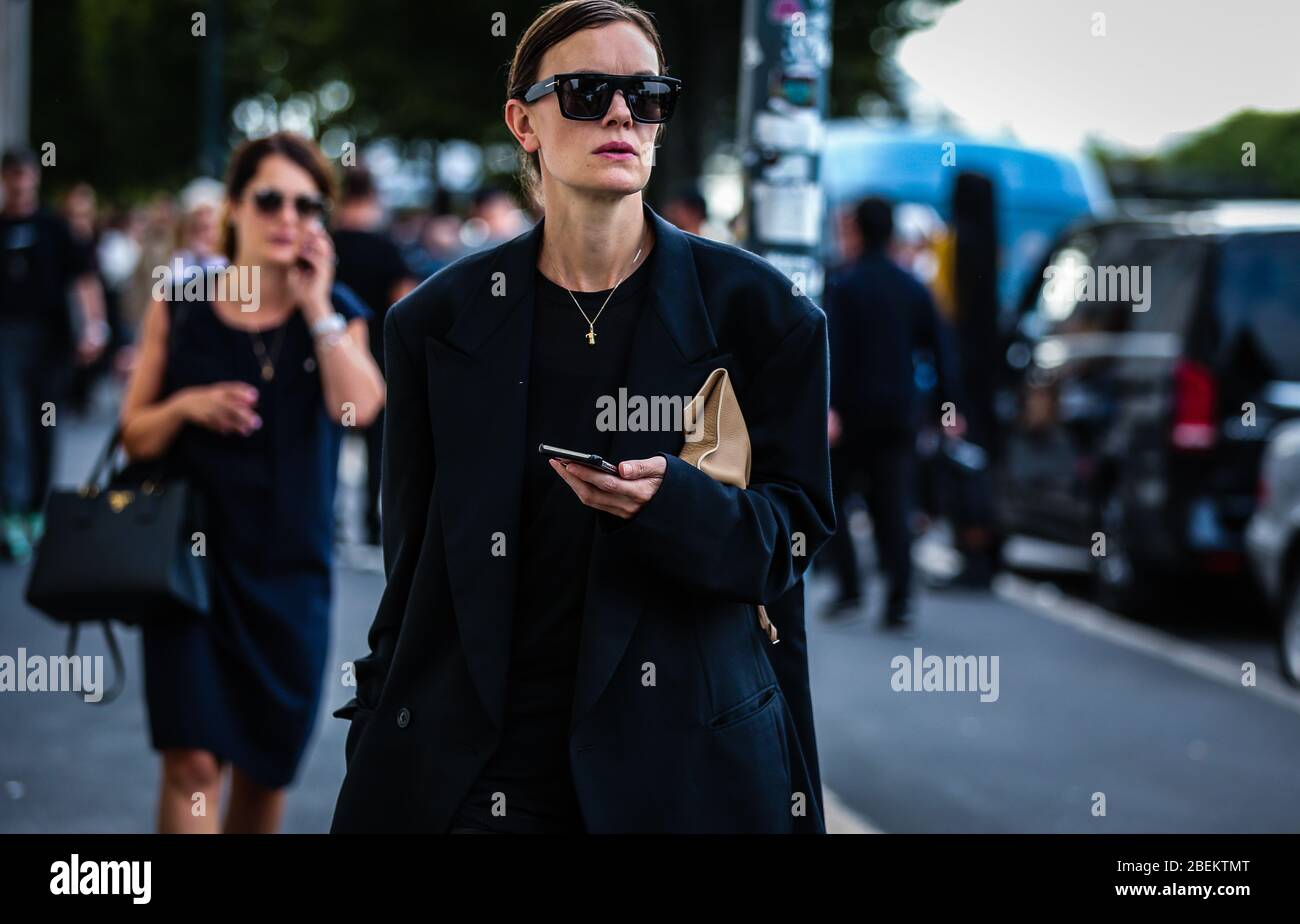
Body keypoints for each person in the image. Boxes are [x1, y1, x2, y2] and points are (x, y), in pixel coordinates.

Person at [330, 0, 834, 834]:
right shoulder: (435, 323)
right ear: (523, 122)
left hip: (686, 766)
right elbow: (414, 569)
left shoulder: (762, 315)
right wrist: (381, 731)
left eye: (648, 95)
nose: (621, 114)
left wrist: (675, 506)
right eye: (587, 91)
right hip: (487, 773)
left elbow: (796, 538)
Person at [119, 132, 385, 833]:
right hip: (188, 572)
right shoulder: (181, 304)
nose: (288, 217)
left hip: (290, 579)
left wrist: (317, 307)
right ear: (234, 206)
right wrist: (185, 406)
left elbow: (360, 407)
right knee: (192, 765)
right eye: (269, 199)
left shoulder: (336, 311)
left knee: (264, 776)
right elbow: (134, 434)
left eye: (307, 205)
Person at [822, 196, 961, 628]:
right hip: (899, 413)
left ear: (859, 231)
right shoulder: (912, 286)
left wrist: (829, 407)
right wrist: (949, 407)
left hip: (851, 415)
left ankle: (850, 588)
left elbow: (834, 351)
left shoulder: (845, 284)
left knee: (833, 500)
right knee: (894, 504)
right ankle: (899, 598)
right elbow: (940, 349)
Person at [0, 148, 107, 561]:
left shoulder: (54, 228)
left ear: (35, 177)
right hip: (7, 340)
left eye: (25, 174)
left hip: (49, 344)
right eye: (13, 175)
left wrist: (94, 326)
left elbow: (84, 279)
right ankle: (12, 508)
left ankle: (35, 509)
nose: (20, 182)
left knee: (42, 424)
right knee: (11, 427)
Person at [331, 165, 418, 545]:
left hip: (330, 352)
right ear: (371, 197)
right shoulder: (386, 247)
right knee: (377, 447)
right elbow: (406, 303)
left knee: (329, 440)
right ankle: (370, 521)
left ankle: (330, 516)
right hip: (376, 359)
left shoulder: (328, 243)